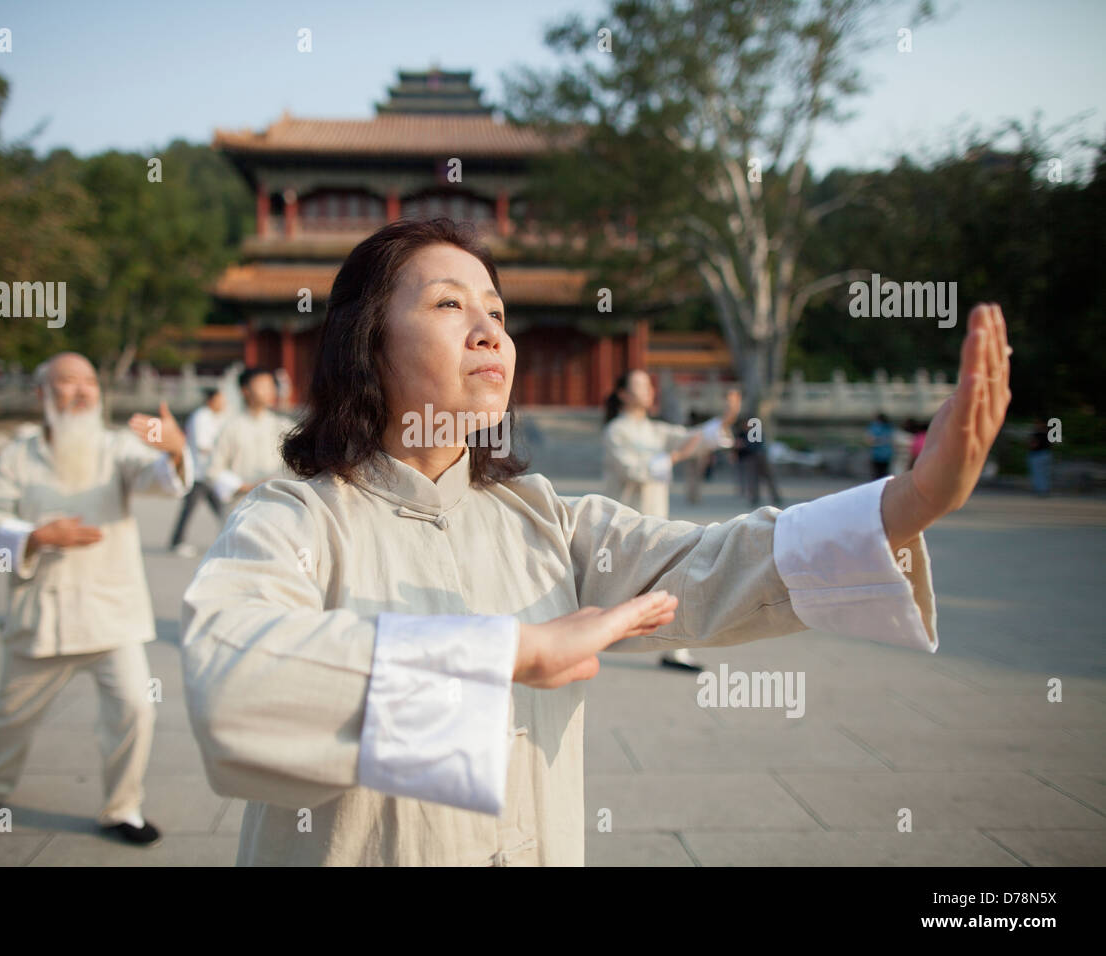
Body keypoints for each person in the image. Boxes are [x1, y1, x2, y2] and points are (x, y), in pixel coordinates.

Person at [178, 217, 1012, 867]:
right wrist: (509, 652)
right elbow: (233, 680)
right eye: (447, 305)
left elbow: (711, 565)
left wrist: (908, 501)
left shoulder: (546, 517)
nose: (489, 331)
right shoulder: (298, 516)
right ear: (367, 340)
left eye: (497, 313)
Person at [0, 351, 192, 847]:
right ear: (42, 395)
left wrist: (176, 451)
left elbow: (160, 481)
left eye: (88, 382)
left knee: (135, 710)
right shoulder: (19, 454)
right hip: (43, 612)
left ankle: (123, 807)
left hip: (110, 612)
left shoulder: (117, 446)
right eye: (67, 382)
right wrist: (35, 536)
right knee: (9, 716)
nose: (81, 390)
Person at [602, 372, 740, 672]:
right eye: (640, 385)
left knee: (675, 582)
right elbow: (633, 470)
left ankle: (675, 652)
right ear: (623, 394)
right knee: (606, 589)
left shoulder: (656, 430)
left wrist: (726, 419)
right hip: (624, 527)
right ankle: (570, 640)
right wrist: (673, 458)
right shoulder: (616, 431)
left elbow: (692, 438)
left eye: (649, 385)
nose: (649, 390)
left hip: (656, 524)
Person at [205, 367, 293, 507]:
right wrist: (245, 486)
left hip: (278, 504)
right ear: (245, 390)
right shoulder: (231, 428)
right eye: (262, 386)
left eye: (271, 385)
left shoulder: (284, 426)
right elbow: (213, 471)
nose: (269, 390)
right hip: (242, 504)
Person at [168, 387, 227, 557]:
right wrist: (222, 453)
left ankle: (233, 538)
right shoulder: (201, 417)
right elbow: (203, 445)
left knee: (223, 508)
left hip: (209, 473)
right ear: (211, 400)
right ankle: (177, 542)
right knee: (193, 509)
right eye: (220, 400)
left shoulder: (215, 417)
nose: (223, 404)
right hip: (199, 472)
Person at [736, 414, 784, 509]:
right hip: (750, 458)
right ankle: (754, 497)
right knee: (752, 479)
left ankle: (776, 497)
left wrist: (744, 445)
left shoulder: (756, 432)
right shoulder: (742, 433)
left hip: (760, 456)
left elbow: (756, 445)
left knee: (769, 477)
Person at [866, 412, 895, 479]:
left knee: (876, 475)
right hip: (886, 454)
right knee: (884, 475)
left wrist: (877, 441)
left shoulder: (874, 427)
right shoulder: (889, 427)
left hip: (877, 454)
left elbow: (870, 440)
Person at [1028, 423, 1053, 496]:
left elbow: (1033, 444)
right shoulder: (1049, 434)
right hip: (1046, 454)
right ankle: (1044, 489)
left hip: (1037, 454)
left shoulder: (1037, 434)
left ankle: (1040, 489)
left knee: (1038, 473)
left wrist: (1031, 445)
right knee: (1044, 473)